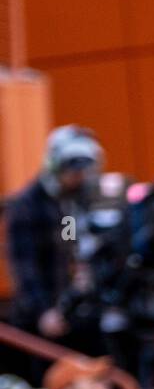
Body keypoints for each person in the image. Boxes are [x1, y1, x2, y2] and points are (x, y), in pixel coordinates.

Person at [3, 126, 109, 366]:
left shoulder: (75, 202)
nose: (79, 178)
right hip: (44, 323)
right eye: (73, 171)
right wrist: (43, 312)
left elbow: (74, 244)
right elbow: (24, 267)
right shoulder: (26, 208)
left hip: (81, 314)